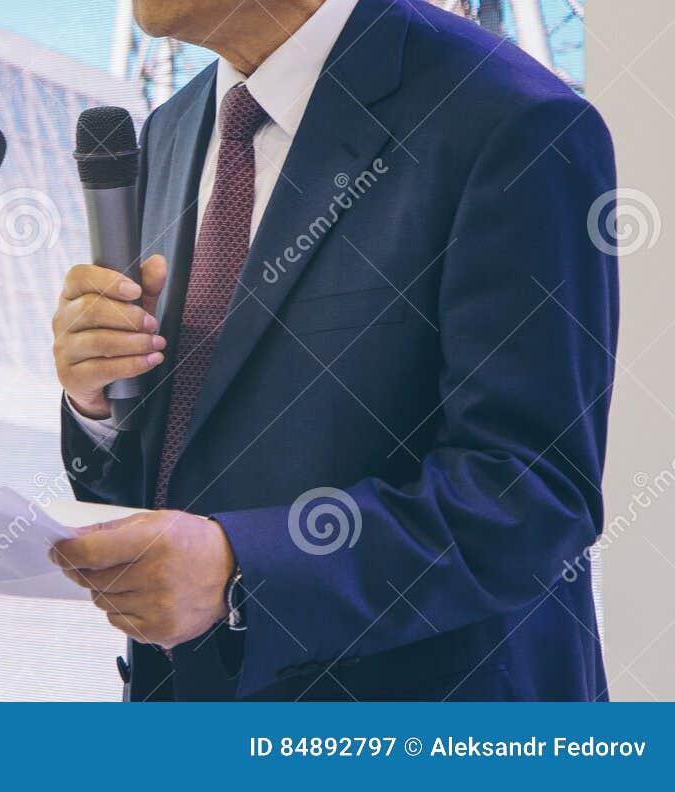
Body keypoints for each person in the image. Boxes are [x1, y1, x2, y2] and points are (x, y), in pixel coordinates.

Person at [50, 0, 617, 700]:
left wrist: (243, 571)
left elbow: (532, 492)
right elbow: (180, 466)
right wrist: (99, 401)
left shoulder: (513, 119)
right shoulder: (170, 130)